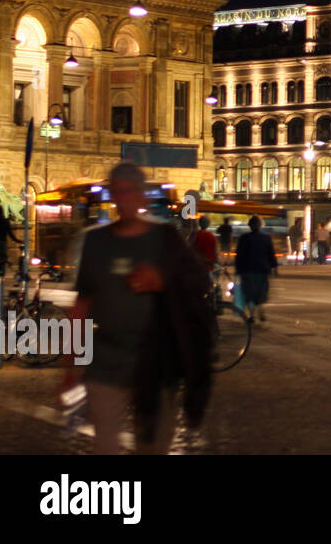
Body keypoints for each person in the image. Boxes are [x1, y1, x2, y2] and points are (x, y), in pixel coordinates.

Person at [61, 162, 213, 455]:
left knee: (154, 445)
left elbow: (197, 281)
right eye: (117, 192)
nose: (123, 198)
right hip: (106, 364)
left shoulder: (165, 238)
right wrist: (70, 366)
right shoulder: (96, 241)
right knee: (105, 444)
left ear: (143, 196)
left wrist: (162, 280)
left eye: (130, 191)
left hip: (156, 363)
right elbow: (81, 305)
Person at [233, 215, 277, 321]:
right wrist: (274, 267)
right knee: (260, 292)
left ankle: (252, 314)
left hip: (247, 270)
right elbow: (271, 254)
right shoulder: (266, 238)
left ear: (249, 226)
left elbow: (239, 255)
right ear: (260, 226)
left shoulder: (244, 238)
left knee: (248, 292)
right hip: (262, 269)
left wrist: (237, 270)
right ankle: (260, 309)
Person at [0, 204, 20, 270]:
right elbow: (10, 233)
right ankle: (1, 272)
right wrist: (17, 240)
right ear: (1, 212)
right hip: (2, 243)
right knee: (3, 258)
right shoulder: (5, 222)